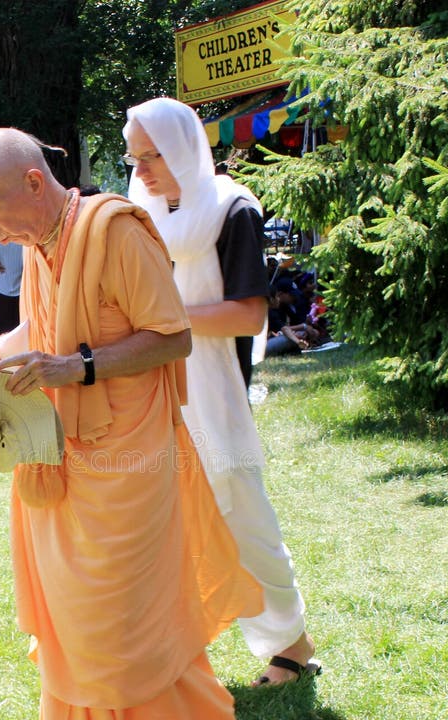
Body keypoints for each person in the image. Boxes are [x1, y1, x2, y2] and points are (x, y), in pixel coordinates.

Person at [0, 127, 264, 720]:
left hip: (130, 462)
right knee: (75, 626)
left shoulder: (116, 231)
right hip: (59, 458)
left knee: (127, 626)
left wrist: (79, 368)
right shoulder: (39, 248)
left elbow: (173, 336)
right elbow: (46, 332)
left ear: (35, 183)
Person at [124, 98, 318, 687]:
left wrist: (163, 317)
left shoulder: (233, 209)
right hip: (151, 385)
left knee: (240, 520)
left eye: (154, 155)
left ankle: (292, 645)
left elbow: (248, 315)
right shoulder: (137, 211)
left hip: (215, 389)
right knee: (161, 526)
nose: (145, 169)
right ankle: (175, 654)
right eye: (135, 157)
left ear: (183, 145)